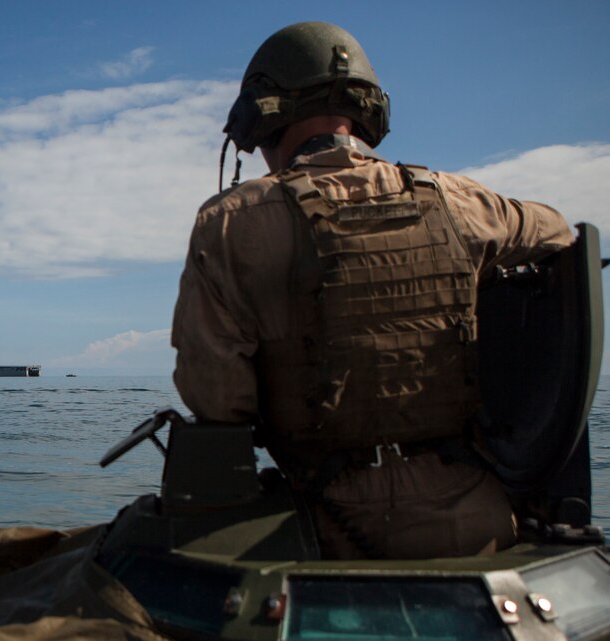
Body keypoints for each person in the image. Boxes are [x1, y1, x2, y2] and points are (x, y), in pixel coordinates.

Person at [171, 22, 574, 559]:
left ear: (260, 117)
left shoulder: (230, 224)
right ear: (368, 113)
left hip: (327, 528)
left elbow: (219, 403)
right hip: (481, 522)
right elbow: (561, 235)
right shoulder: (460, 202)